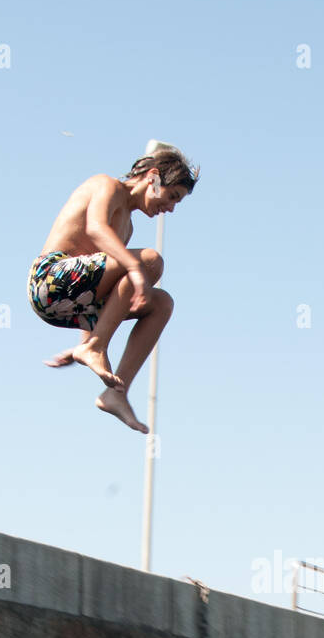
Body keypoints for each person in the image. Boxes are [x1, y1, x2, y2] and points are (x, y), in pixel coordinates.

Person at [27, 143, 199, 433]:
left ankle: (116, 393)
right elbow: (95, 228)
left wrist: (85, 343)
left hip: (72, 301)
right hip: (48, 279)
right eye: (172, 197)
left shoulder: (127, 228)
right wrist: (135, 268)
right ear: (153, 178)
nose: (169, 208)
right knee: (149, 261)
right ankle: (95, 347)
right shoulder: (106, 185)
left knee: (162, 303)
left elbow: (97, 285)